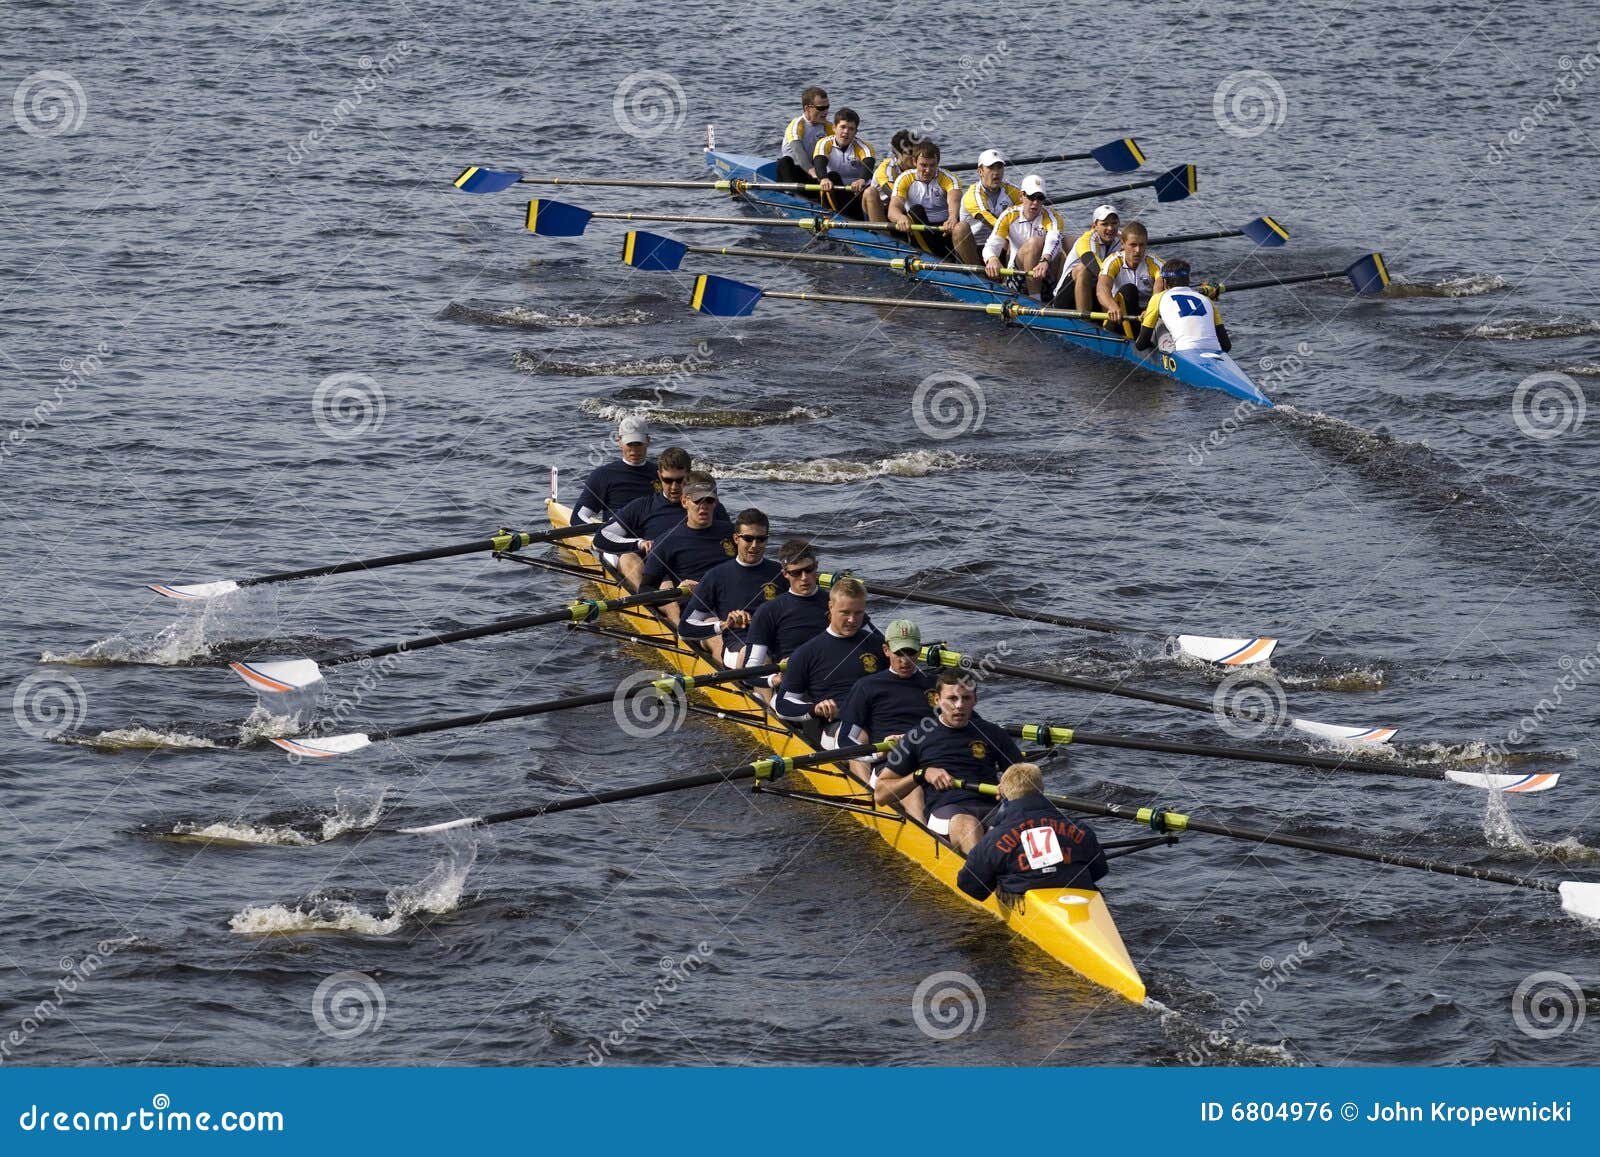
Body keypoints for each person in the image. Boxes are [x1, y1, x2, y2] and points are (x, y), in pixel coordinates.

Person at [878, 671, 1023, 850]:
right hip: (948, 810)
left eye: (966, 698)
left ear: (975, 700)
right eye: (952, 699)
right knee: (969, 825)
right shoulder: (917, 737)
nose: (959, 705)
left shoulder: (993, 733)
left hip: (992, 808)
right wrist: (921, 774)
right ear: (937, 700)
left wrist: (1011, 786)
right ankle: (980, 867)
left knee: (1026, 828)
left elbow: (1027, 779)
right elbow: (881, 794)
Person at [956, 761, 1108, 902]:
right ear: (1042, 788)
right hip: (1078, 892)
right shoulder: (1080, 828)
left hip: (1022, 899)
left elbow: (970, 885)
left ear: (1003, 791)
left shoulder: (993, 838)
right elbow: (1100, 870)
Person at [774, 577, 885, 746]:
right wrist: (815, 709)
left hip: (879, 716)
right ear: (831, 607)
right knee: (861, 737)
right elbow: (783, 705)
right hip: (837, 723)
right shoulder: (806, 653)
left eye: (858, 613)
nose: (852, 620)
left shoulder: (877, 644)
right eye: (845, 613)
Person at [838, 617, 936, 784]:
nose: (905, 660)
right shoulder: (866, 686)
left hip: (932, 756)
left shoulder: (937, 685)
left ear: (920, 651)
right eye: (898, 653)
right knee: (917, 790)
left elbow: (971, 724)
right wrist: (878, 753)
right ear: (886, 650)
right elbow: (844, 740)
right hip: (891, 761)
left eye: (911, 652)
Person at [596, 448, 714, 586]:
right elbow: (601, 537)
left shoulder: (708, 506)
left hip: (698, 570)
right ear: (659, 476)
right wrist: (640, 544)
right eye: (667, 480)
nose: (674, 487)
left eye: (680, 480)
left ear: (689, 476)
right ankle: (645, 598)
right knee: (627, 558)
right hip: (660, 577)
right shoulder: (642, 507)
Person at [680, 508, 784, 664]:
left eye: (761, 539)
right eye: (748, 539)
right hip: (740, 644)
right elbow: (685, 629)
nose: (755, 545)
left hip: (777, 640)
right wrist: (723, 625)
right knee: (760, 658)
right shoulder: (716, 576)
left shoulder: (781, 573)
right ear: (736, 539)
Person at [640, 472, 735, 625]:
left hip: (735, 602)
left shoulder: (735, 534)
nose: (704, 506)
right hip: (700, 611)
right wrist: (676, 593)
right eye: (698, 500)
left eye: (709, 500)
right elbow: (645, 589)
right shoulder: (667, 541)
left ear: (716, 503)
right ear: (684, 502)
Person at [743, 540, 829, 669]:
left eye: (809, 569)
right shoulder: (768, 611)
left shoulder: (836, 604)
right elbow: (751, 667)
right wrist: (773, 678)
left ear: (816, 566)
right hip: (791, 675)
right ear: (785, 574)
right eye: (796, 573)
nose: (804, 577)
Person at [982, 174, 1065, 299]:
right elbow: (991, 245)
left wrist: (1045, 260)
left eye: (1040, 198)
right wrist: (992, 258)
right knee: (1034, 243)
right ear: (1021, 196)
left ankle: (1060, 297)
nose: (1035, 203)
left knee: (1069, 242)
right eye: (1031, 197)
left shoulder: (1053, 217)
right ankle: (1035, 300)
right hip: (1017, 274)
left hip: (1044, 270)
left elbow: (1054, 239)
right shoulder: (1009, 215)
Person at [1134, 258, 1232, 354]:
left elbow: (1141, 345)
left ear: (1164, 282)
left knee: (1159, 322)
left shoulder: (1157, 298)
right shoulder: (1207, 300)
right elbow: (1226, 346)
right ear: (1188, 281)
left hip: (1183, 352)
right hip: (1215, 350)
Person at [573, 415, 657, 527]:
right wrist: (603, 532)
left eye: (638, 444)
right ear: (620, 442)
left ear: (648, 441)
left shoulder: (661, 474)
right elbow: (577, 518)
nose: (634, 450)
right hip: (615, 533)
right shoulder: (603, 475)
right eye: (630, 444)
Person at [888, 140, 961, 259]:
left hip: (945, 228)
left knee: (960, 222)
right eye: (923, 165)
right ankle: (936, 257)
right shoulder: (905, 179)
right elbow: (893, 209)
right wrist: (900, 217)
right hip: (919, 229)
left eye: (932, 165)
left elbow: (954, 200)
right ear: (914, 162)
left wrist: (952, 217)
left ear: (938, 163)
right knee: (916, 210)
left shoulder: (949, 178)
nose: (928, 170)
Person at [951, 149, 1022, 267]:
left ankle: (1011, 274)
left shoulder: (1013, 190)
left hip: (999, 245)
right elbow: (988, 219)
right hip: (975, 248)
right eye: (991, 168)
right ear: (980, 171)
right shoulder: (972, 195)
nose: (996, 172)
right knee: (960, 228)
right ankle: (976, 274)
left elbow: (1031, 211)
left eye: (999, 167)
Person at [1096, 221, 1164, 336]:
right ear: (1122, 244)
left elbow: (1159, 289)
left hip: (1147, 315)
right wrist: (1112, 306)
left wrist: (1150, 311)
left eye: (1142, 245)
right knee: (1129, 290)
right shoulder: (1113, 261)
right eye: (1133, 245)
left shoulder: (1155, 263)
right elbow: (1102, 289)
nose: (1138, 250)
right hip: (1119, 315)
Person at [1052, 203, 1121, 312]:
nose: (1110, 228)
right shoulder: (1086, 240)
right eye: (1104, 224)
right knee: (1083, 269)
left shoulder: (1121, 239)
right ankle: (1084, 319)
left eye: (1114, 223)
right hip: (1066, 297)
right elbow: (1093, 265)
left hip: (1095, 292)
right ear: (1094, 226)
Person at [811, 108, 875, 220]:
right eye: (843, 127)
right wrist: (823, 178)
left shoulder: (864, 147)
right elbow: (819, 162)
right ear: (834, 128)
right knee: (832, 176)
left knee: (870, 189)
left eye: (851, 129)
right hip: (833, 188)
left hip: (856, 190)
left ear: (855, 132)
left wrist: (862, 179)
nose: (846, 132)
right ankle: (829, 216)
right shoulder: (824, 143)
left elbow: (869, 164)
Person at [777, 86, 833, 190]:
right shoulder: (797, 125)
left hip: (814, 176)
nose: (826, 112)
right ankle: (791, 194)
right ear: (807, 108)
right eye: (821, 108)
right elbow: (798, 151)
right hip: (794, 173)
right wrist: (813, 172)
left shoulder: (828, 127)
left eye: (827, 107)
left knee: (834, 175)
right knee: (785, 161)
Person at [865, 130, 918, 224]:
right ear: (898, 154)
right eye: (910, 153)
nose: (914, 157)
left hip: (903, 207)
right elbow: (891, 192)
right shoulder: (885, 169)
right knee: (870, 192)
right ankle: (880, 232)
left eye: (916, 152)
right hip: (882, 208)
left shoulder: (920, 166)